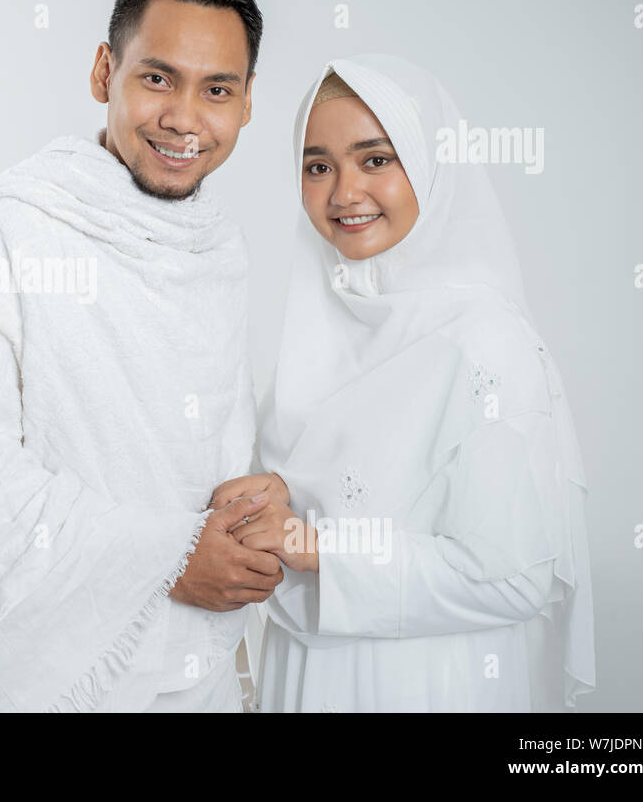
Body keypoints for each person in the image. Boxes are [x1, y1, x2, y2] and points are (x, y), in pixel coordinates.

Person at [0, 0, 283, 711]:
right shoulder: (15, 228)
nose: (186, 118)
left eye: (217, 89)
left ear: (248, 102)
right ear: (105, 71)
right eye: (158, 79)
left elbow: (203, 455)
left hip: (194, 669)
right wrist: (169, 558)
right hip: (51, 674)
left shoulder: (221, 253)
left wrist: (257, 508)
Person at [213, 54, 596, 711]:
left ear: (429, 163)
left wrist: (313, 545)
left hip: (424, 685)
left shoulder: (484, 340)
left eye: (376, 159)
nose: (343, 193)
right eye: (318, 165)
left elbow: (512, 578)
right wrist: (278, 498)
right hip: (304, 677)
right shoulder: (321, 328)